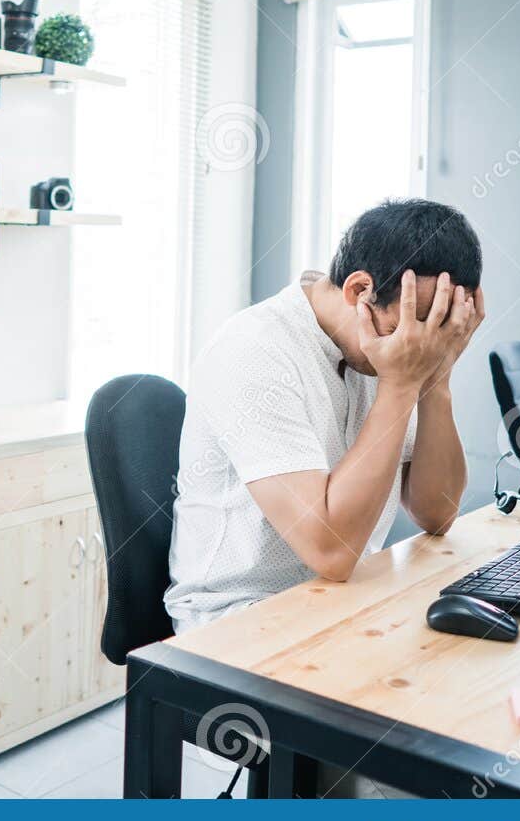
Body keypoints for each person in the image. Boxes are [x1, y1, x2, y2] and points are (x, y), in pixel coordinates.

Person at [165, 198, 485, 633]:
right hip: (238, 622)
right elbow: (330, 551)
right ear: (359, 292)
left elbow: (436, 513)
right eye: (413, 328)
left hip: (343, 599)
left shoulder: (394, 349)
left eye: (440, 331)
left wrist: (436, 379)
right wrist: (401, 385)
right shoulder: (254, 352)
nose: (423, 344)